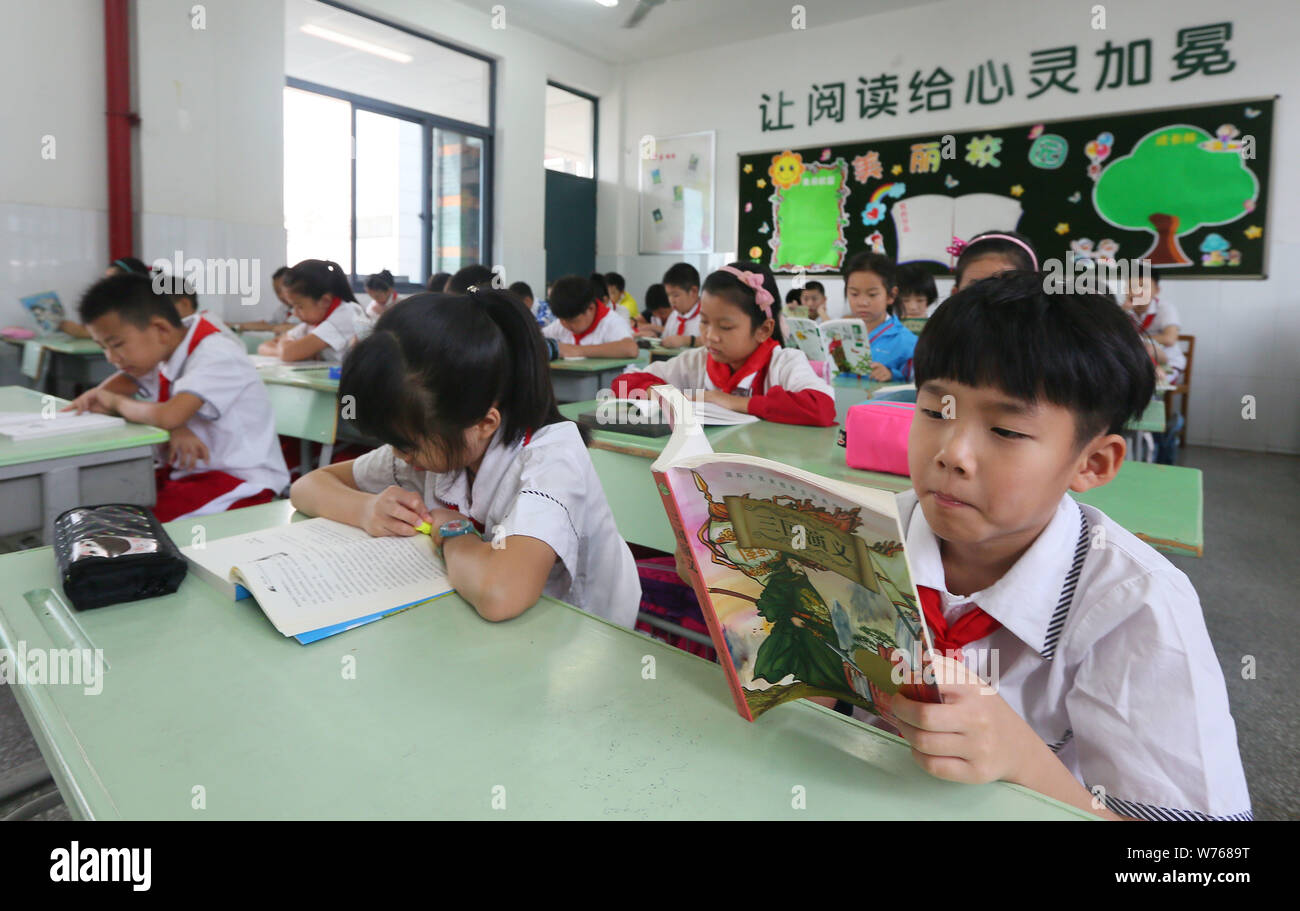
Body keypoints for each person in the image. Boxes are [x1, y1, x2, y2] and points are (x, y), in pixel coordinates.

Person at [881, 270, 1250, 821]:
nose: (952, 453)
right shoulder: (871, 530)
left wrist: (1021, 759)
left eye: (1006, 431)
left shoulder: (1138, 606)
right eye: (937, 411)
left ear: (1091, 463)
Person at [288, 290, 641, 627]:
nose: (400, 457)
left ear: (485, 423)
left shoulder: (552, 458)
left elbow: (499, 594)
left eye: (407, 445)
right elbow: (307, 487)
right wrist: (366, 510)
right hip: (500, 632)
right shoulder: (439, 440)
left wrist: (453, 530)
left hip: (588, 639)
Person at [67, 273, 288, 521]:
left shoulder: (216, 353)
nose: (110, 357)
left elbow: (165, 414)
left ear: (160, 329)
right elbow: (102, 398)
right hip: (186, 474)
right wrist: (174, 427)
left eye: (116, 344)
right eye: (103, 347)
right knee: (104, 505)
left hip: (241, 481)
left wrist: (122, 404)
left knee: (139, 529)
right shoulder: (162, 348)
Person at [611, 262, 835, 426]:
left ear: (763, 329)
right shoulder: (696, 361)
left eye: (725, 327)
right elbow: (624, 383)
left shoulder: (784, 363)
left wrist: (727, 401)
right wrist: (665, 396)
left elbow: (821, 408)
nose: (710, 336)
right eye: (704, 322)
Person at [258, 259, 368, 363]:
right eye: (292, 307)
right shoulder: (314, 321)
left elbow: (288, 353)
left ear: (324, 301)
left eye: (299, 306)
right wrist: (287, 348)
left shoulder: (346, 315)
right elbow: (263, 347)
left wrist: (285, 344)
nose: (294, 313)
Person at [842, 252, 916, 382]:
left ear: (891, 295)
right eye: (854, 294)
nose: (862, 302)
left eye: (872, 295)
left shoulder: (907, 343)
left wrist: (892, 375)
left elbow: (917, 389)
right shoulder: (838, 333)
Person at [541, 275, 638, 360]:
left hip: (622, 380)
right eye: (562, 320)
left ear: (590, 308)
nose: (566, 326)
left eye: (572, 321)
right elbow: (536, 337)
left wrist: (576, 350)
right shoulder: (564, 321)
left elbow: (630, 349)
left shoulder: (612, 322)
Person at [230, 266, 296, 333]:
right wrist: (235, 326)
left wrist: (240, 326)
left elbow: (284, 327)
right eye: (277, 292)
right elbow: (263, 323)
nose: (281, 296)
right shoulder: (282, 309)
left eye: (283, 290)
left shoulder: (300, 310)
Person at [653, 263, 703, 349]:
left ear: (694, 291)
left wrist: (686, 340)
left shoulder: (706, 314)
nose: (671, 300)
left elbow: (715, 342)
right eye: (668, 295)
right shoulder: (674, 316)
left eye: (676, 295)